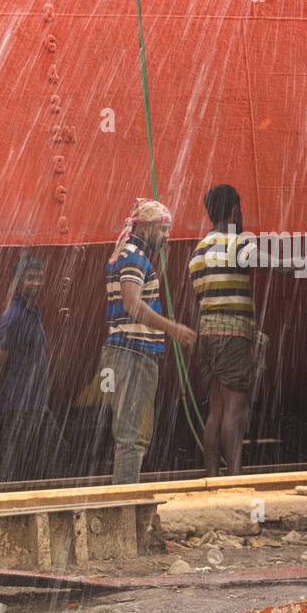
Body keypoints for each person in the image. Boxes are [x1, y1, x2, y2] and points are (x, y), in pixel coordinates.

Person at [189, 184, 307, 476]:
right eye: (240, 208)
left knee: (214, 412)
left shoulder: (198, 251)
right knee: (235, 411)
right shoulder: (237, 244)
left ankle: (212, 478)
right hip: (233, 337)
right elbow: (283, 268)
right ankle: (235, 479)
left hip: (207, 337)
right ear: (234, 210)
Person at [102, 198, 196, 484]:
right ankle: (126, 509)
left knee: (129, 435)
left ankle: (124, 504)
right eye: (163, 230)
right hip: (133, 352)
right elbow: (132, 304)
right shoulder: (134, 258)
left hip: (123, 352)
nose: (166, 236)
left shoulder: (124, 253)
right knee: (133, 437)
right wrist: (173, 328)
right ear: (145, 228)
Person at [0, 257, 53, 479]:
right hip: (18, 405)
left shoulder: (32, 312)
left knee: (27, 463)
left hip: (33, 403)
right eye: (30, 278)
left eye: (40, 278)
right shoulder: (12, 317)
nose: (37, 283)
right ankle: (10, 504)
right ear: (17, 281)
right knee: (15, 464)